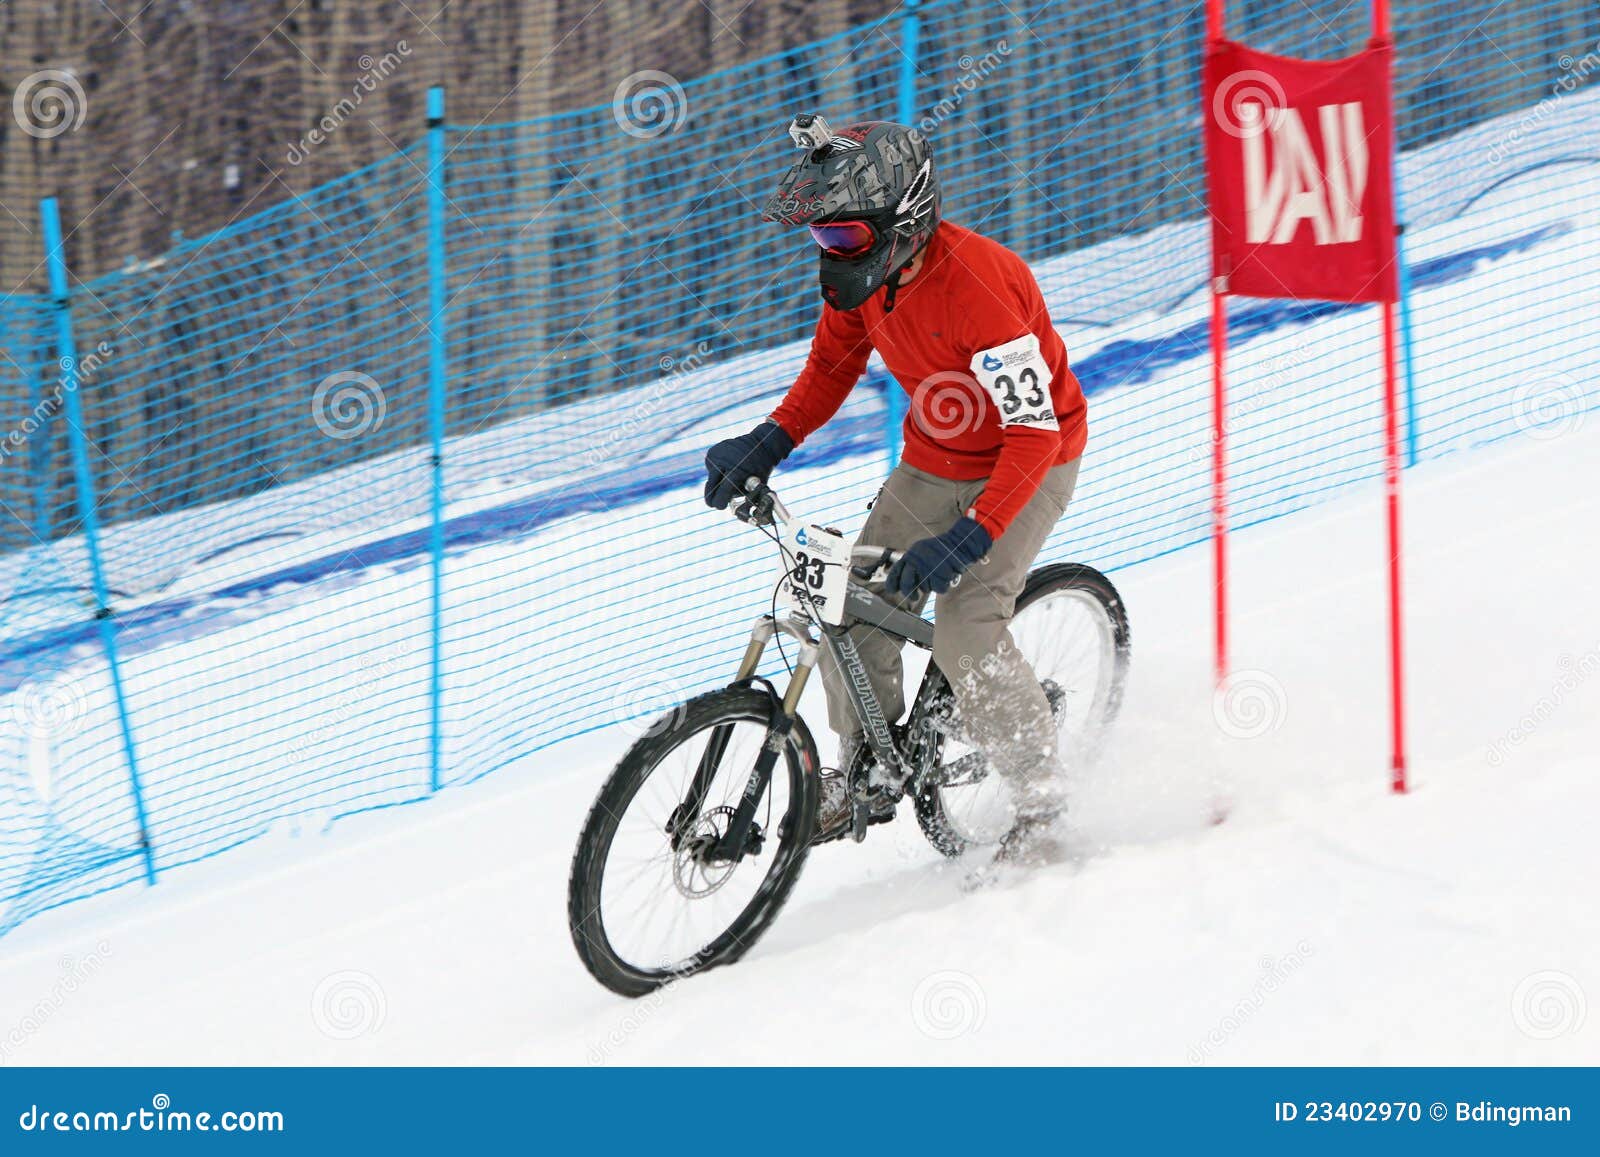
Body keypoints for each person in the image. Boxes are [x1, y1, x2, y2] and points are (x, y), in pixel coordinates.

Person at [703, 114, 1088, 863]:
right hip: (935, 458)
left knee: (968, 626)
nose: (831, 251)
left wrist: (971, 535)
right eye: (822, 236)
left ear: (904, 221)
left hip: (1032, 458)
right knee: (848, 603)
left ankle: (1043, 803)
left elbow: (1033, 433)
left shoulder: (979, 285)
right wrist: (769, 440)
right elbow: (830, 368)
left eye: (845, 235)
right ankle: (868, 772)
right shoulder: (868, 284)